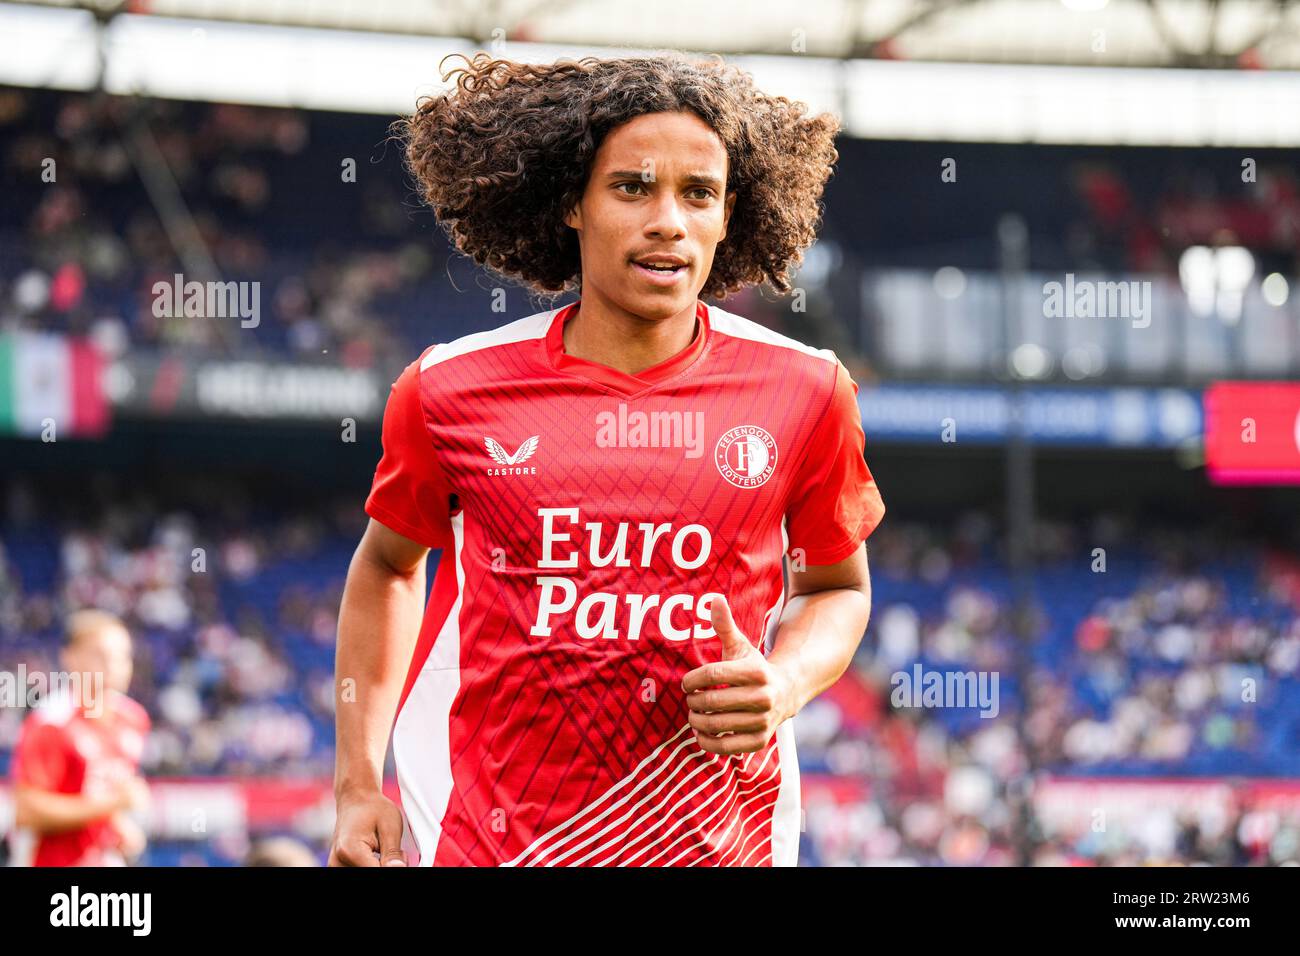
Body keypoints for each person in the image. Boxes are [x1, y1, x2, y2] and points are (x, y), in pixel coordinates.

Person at [330, 52, 885, 867]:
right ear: (571, 206)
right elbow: (387, 568)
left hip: (714, 844)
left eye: (698, 193)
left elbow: (837, 588)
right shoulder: (448, 388)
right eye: (632, 187)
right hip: (496, 846)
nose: (669, 221)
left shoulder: (807, 390)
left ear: (729, 214)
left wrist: (787, 682)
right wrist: (354, 786)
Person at [10, 609, 151, 866]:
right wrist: (112, 805)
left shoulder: (133, 718)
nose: (113, 667)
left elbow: (97, 790)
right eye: (100, 656)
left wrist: (118, 826)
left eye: (122, 657)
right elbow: (27, 811)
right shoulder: (52, 722)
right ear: (70, 658)